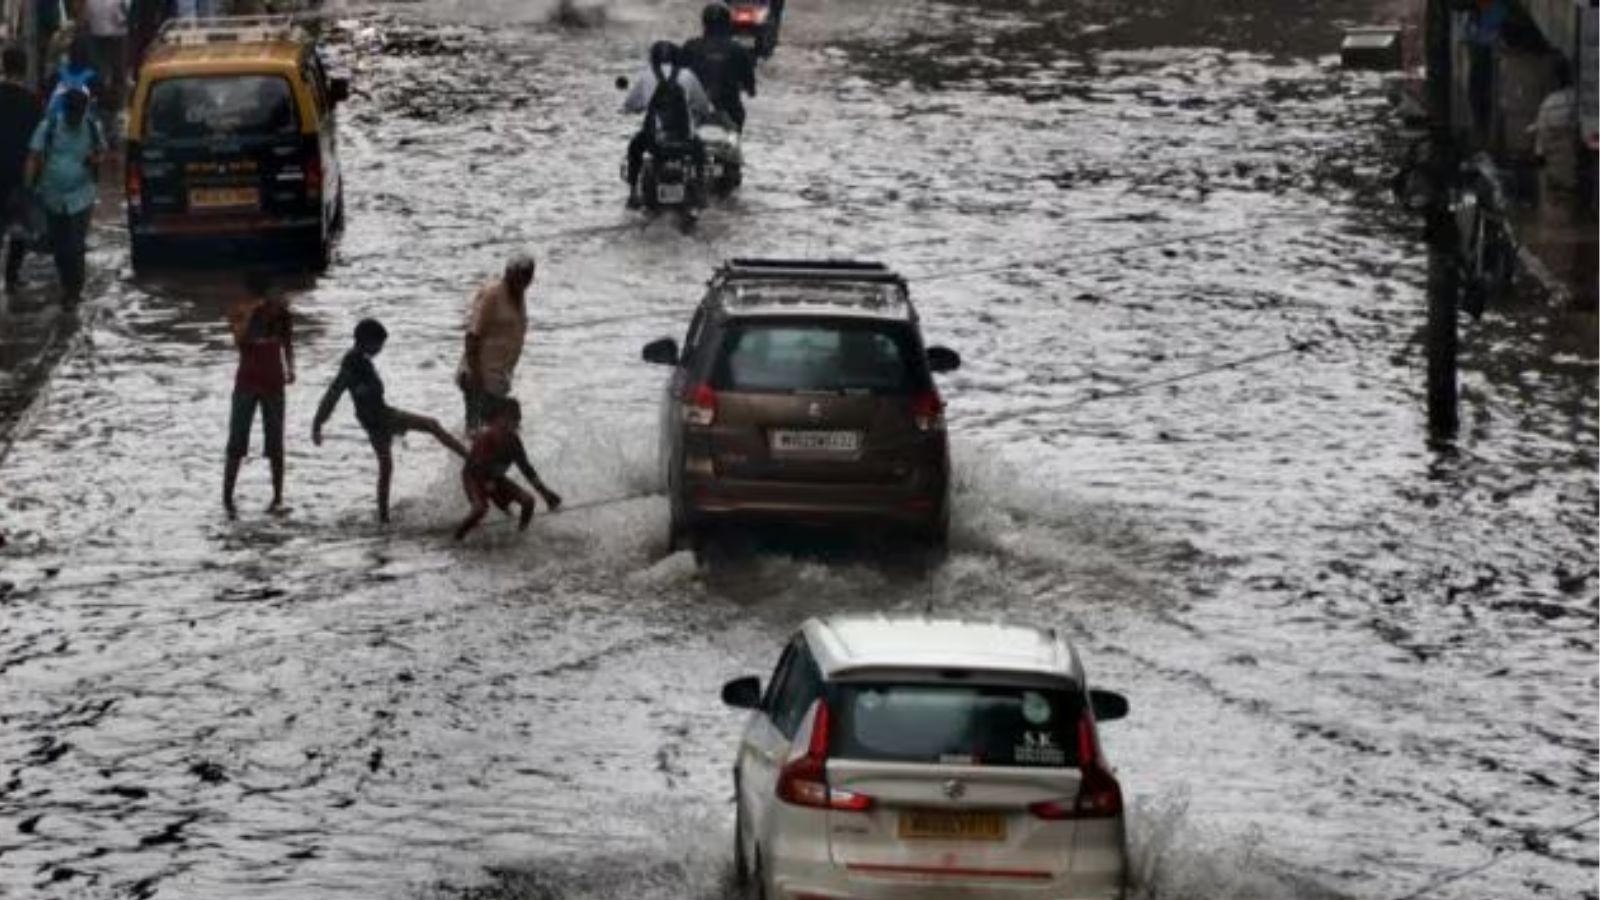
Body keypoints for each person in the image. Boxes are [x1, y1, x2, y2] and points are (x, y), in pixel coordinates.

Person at [312, 319, 469, 524]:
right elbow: (333, 394)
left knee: (386, 467)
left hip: (374, 418)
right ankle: (469, 457)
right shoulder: (352, 363)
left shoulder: (360, 360)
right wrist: (318, 423)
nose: (380, 349)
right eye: (379, 344)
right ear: (366, 341)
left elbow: (339, 393)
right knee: (431, 425)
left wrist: (319, 423)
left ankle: (384, 518)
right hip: (381, 417)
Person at [223, 273, 294, 517]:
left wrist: (291, 368)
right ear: (265, 294)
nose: (282, 295)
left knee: (276, 442)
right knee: (237, 441)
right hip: (247, 383)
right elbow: (239, 339)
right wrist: (251, 314)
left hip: (273, 383)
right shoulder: (243, 312)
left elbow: (288, 343)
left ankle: (278, 497)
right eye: (277, 291)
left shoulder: (284, 316)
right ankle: (227, 498)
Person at [25, 86, 103, 302]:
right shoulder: (48, 126)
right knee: (59, 245)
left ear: (84, 110)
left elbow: (102, 152)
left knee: (76, 245)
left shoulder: (92, 127)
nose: (75, 118)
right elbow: (33, 156)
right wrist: (27, 188)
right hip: (52, 195)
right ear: (66, 109)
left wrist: (95, 159)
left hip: (82, 195)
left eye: (79, 113)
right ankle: (66, 283)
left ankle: (74, 291)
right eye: (72, 113)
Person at [622, 40, 714, 208]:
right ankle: (701, 190)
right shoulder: (688, 75)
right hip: (684, 140)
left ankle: (633, 192)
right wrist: (702, 113)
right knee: (700, 151)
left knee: (634, 148)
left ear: (653, 57)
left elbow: (630, 104)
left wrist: (630, 109)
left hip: (654, 141)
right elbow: (703, 106)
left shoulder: (646, 76)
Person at [454, 399, 562, 541]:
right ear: (496, 420)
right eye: (509, 419)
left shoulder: (514, 442)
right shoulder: (486, 437)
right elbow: (476, 466)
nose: (514, 423)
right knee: (480, 509)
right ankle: (457, 538)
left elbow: (527, 470)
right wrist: (487, 483)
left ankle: (520, 535)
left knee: (528, 501)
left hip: (495, 478)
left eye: (516, 419)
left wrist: (545, 493)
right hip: (473, 478)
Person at [456, 254, 534, 433]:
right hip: (480, 377)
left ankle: (466, 449)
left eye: (528, 276)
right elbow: (472, 337)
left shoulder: (518, 296)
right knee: (505, 418)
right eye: (521, 275)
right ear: (509, 273)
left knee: (484, 430)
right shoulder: (492, 295)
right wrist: (477, 379)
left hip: (498, 380)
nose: (524, 281)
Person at [1, 46, 43, 295]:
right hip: (21, 174)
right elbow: (38, 146)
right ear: (25, 69)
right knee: (19, 229)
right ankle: (12, 278)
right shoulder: (33, 102)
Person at [682, 3, 756, 131]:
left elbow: (677, 76)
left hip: (695, 111)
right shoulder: (738, 50)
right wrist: (750, 89)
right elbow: (749, 83)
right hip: (729, 111)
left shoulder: (691, 46)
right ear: (728, 23)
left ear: (704, 23)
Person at [82, 0, 128, 112]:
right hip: (114, 32)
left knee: (102, 69)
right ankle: (114, 104)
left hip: (100, 30)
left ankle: (104, 102)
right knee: (116, 70)